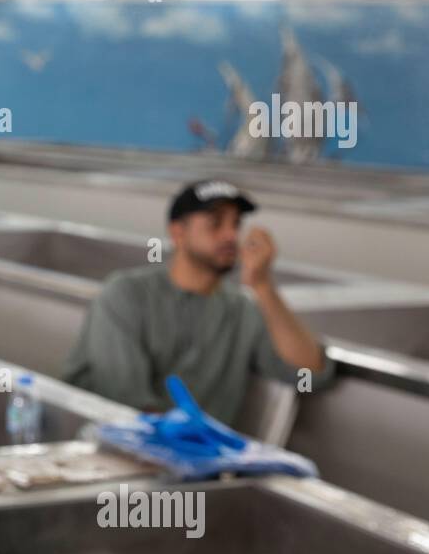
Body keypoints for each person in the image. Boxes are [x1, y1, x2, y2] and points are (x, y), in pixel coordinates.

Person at [63, 179, 335, 426]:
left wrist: (263, 286)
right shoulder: (125, 295)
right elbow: (125, 400)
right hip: (111, 458)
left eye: (235, 224)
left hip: (196, 468)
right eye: (215, 223)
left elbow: (310, 375)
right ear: (178, 232)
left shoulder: (241, 311)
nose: (230, 235)